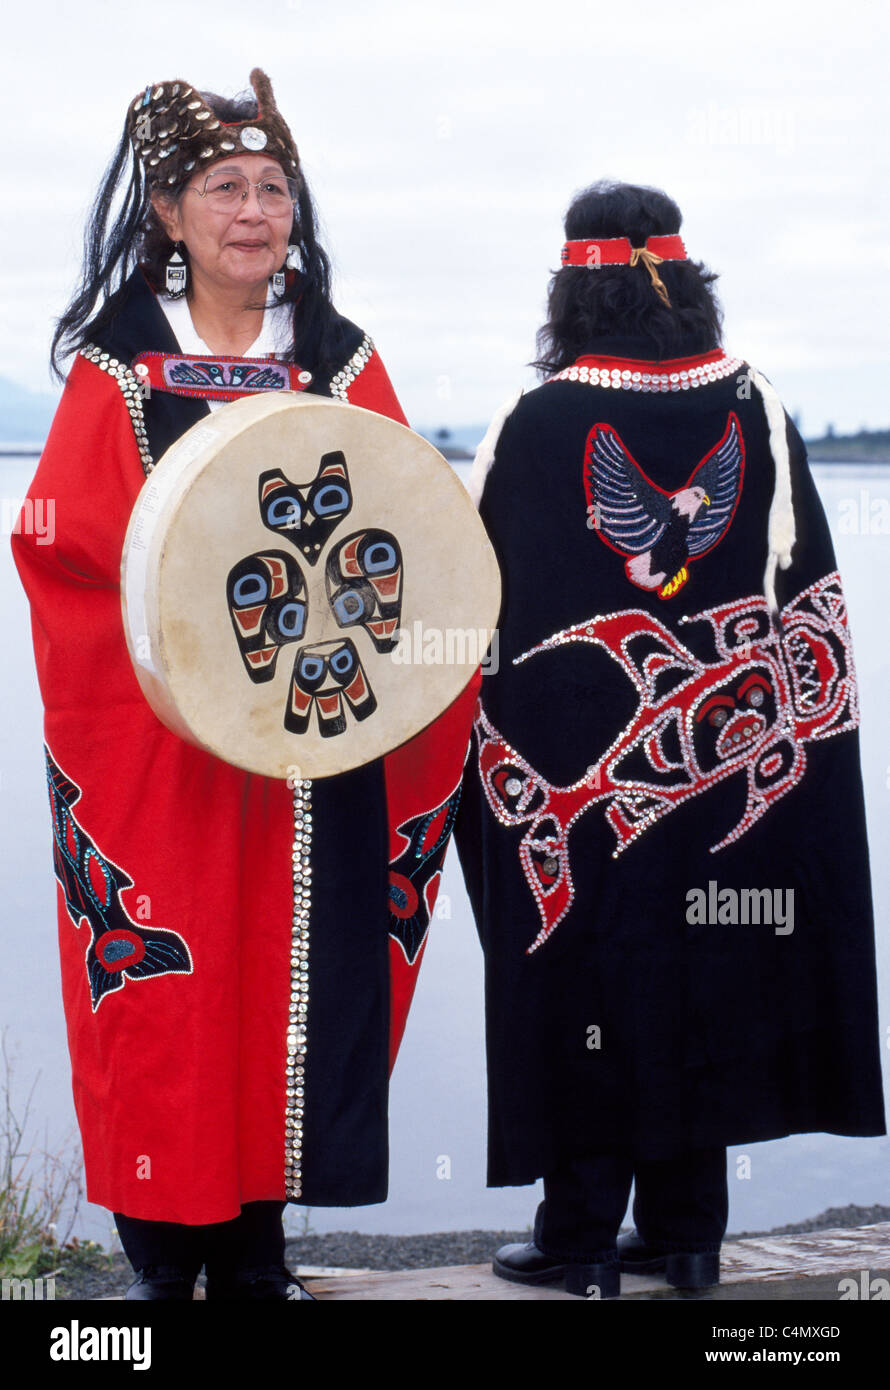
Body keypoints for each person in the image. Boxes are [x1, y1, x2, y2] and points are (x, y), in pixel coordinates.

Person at [12, 69, 478, 1301]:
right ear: (168, 211)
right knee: (170, 982)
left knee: (292, 975)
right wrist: (177, 675)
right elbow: (62, 551)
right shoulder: (118, 370)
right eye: (224, 188)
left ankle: (259, 1246)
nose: (255, 211)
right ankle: (168, 1255)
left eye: (274, 188)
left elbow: (402, 526)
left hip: (309, 740)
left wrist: (399, 666)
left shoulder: (333, 356)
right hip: (161, 746)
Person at [454, 180, 886, 1299]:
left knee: (589, 976)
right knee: (714, 968)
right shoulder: (761, 411)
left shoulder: (538, 424)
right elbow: (814, 623)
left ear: (570, 289)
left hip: (594, 767)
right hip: (737, 767)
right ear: (686, 283)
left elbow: (483, 625)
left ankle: (581, 1240)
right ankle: (689, 1236)